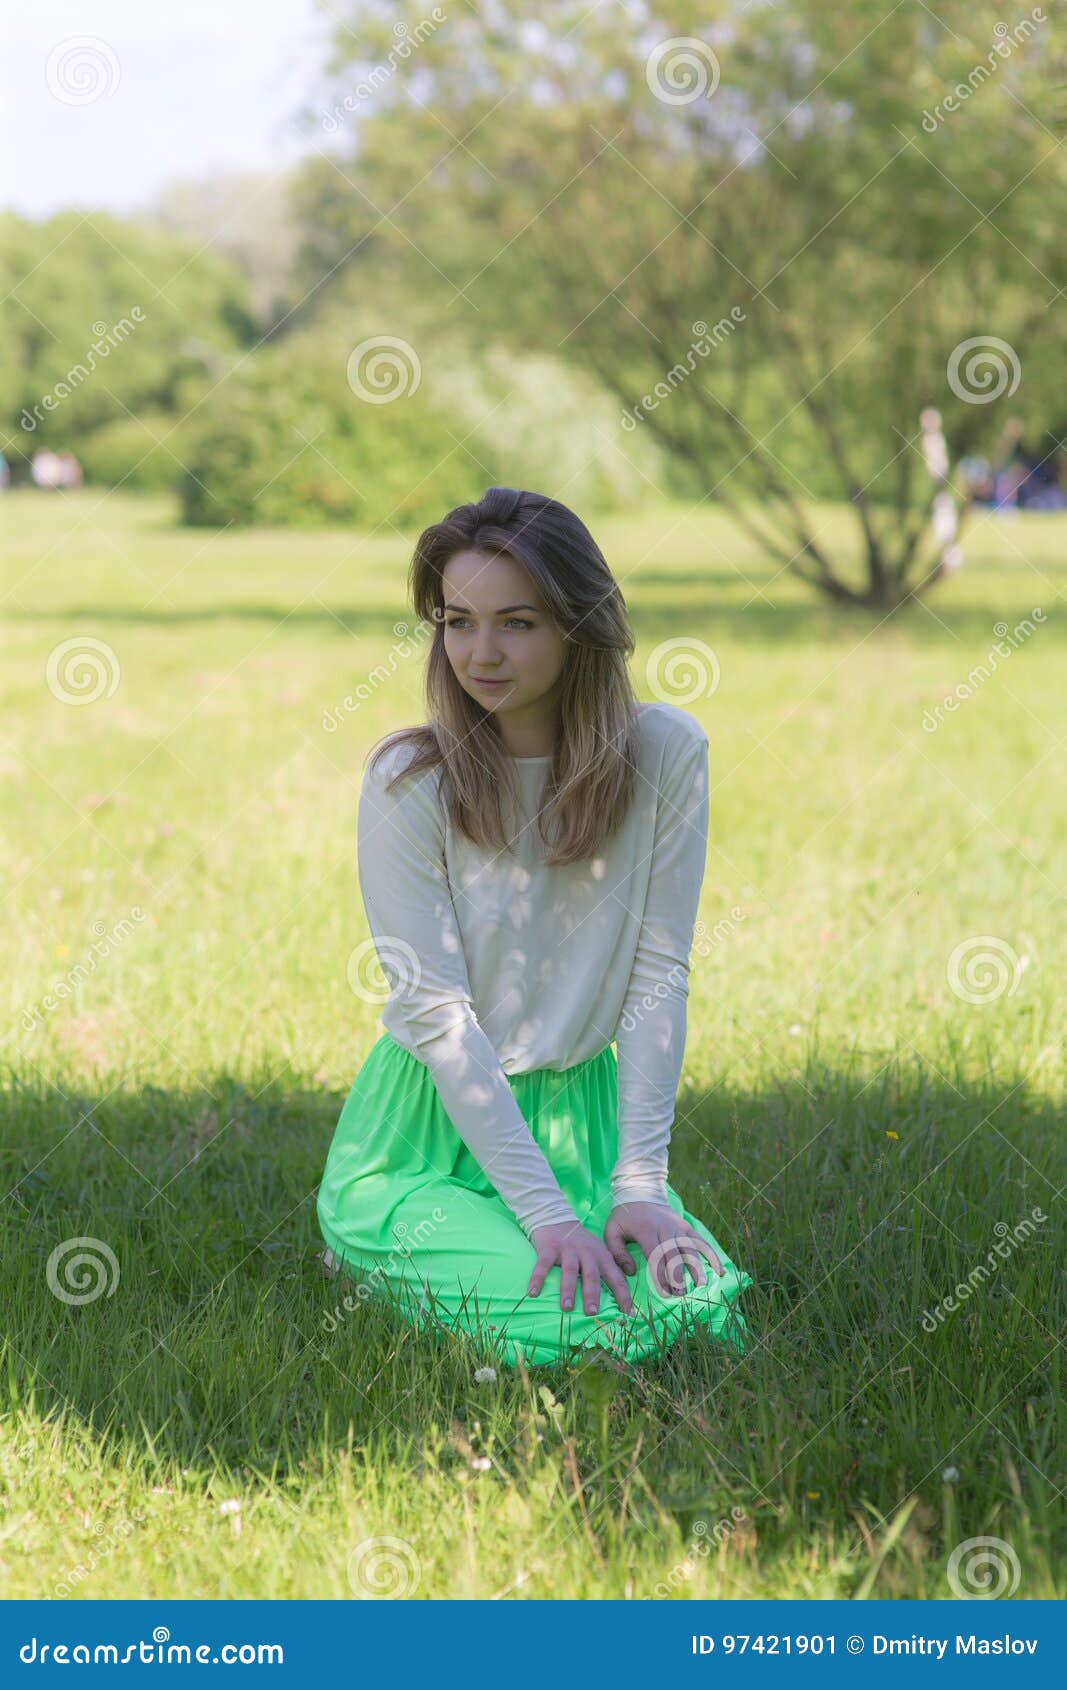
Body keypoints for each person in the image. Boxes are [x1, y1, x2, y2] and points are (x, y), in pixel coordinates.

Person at [316, 486, 753, 1369]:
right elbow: (438, 1021)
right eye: (457, 620)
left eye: (516, 622)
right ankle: (368, 1245)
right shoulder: (411, 781)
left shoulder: (666, 753)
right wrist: (549, 1217)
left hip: (581, 1132)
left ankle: (479, 1255)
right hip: (424, 1143)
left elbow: (660, 971)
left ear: (579, 625)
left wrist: (637, 1185)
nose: (480, 653)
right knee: (587, 1325)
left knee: (705, 1305)